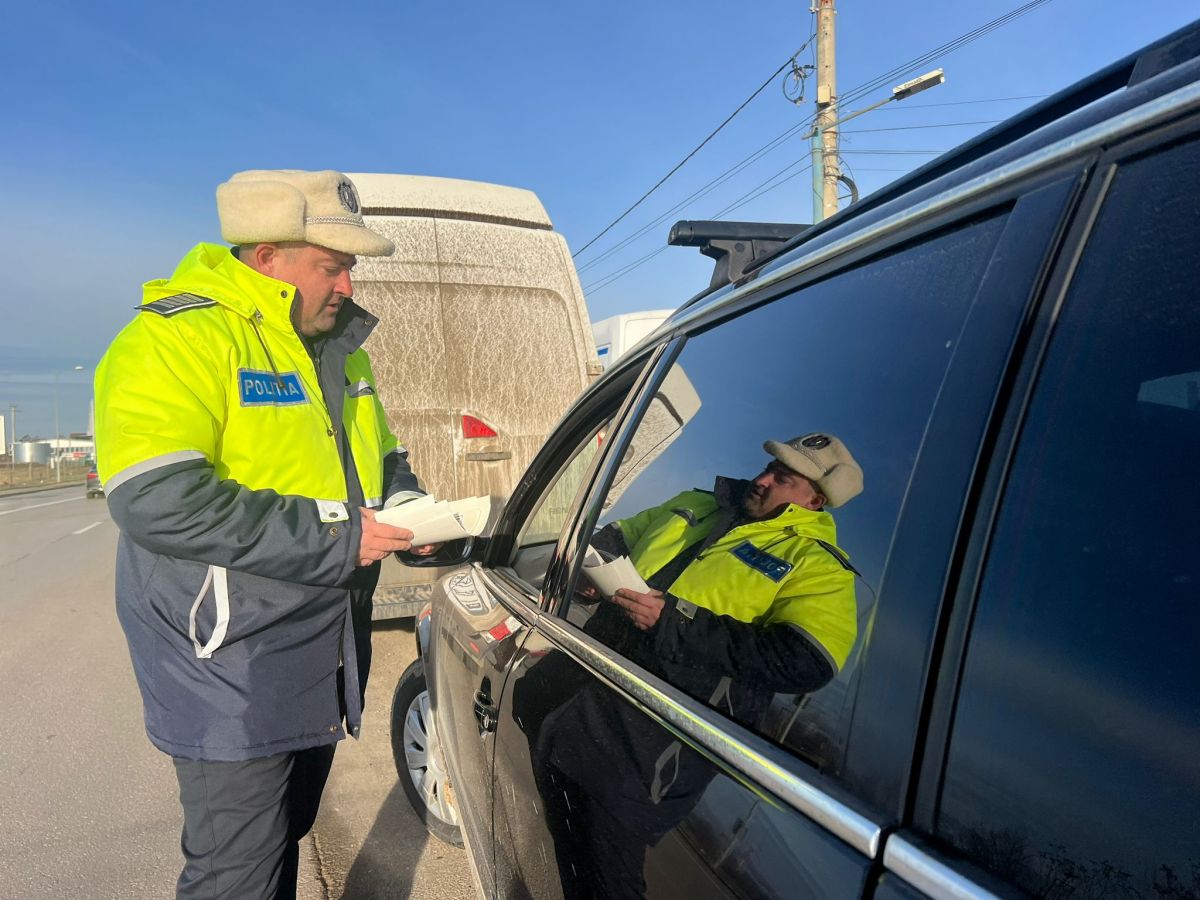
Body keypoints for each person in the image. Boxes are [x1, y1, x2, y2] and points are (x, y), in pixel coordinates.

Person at [94, 169, 431, 899]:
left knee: (286, 836)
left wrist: (411, 509)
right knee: (237, 875)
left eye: (350, 267)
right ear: (266, 257)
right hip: (229, 660)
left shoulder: (341, 350)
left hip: (323, 644)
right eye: (331, 266)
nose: (346, 284)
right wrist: (341, 535)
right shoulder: (177, 337)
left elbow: (379, 461)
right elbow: (156, 497)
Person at [517, 432, 864, 898]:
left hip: (644, 750)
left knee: (605, 880)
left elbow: (805, 661)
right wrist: (589, 574)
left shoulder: (817, 566)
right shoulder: (699, 504)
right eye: (766, 468)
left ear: (815, 500)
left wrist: (676, 621)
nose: (760, 481)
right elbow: (616, 536)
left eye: (781, 478)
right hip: (572, 701)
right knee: (567, 857)